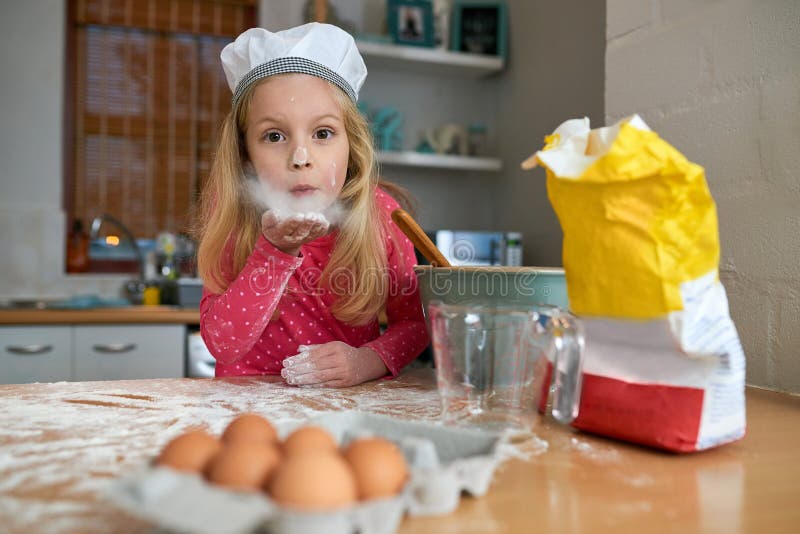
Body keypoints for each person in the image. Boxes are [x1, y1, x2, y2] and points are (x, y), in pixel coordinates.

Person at [195, 23, 429, 387]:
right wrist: (274, 252)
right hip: (245, 413)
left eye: (323, 134)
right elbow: (222, 345)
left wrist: (364, 361)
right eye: (274, 136)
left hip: (347, 413)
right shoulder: (233, 215)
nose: (300, 157)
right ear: (245, 155)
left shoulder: (379, 214)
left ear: (350, 145)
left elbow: (416, 324)